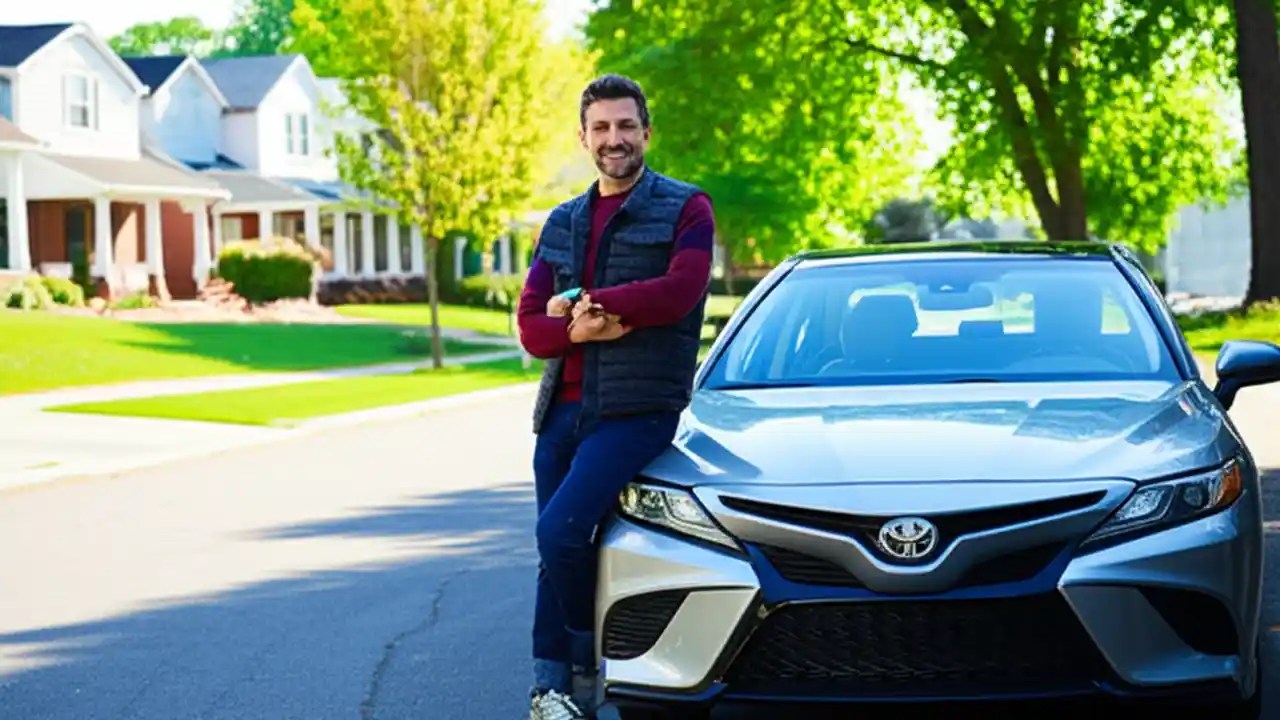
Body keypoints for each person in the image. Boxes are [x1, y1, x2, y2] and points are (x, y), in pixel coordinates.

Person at [517, 73, 715, 720]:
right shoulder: (563, 221)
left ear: (646, 131)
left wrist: (581, 306)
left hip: (636, 411)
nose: (613, 139)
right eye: (600, 128)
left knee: (562, 531)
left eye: (625, 125)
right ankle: (554, 689)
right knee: (556, 547)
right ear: (583, 137)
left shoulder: (687, 208)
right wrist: (576, 324)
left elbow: (679, 292)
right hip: (564, 412)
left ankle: (590, 657)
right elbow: (530, 326)